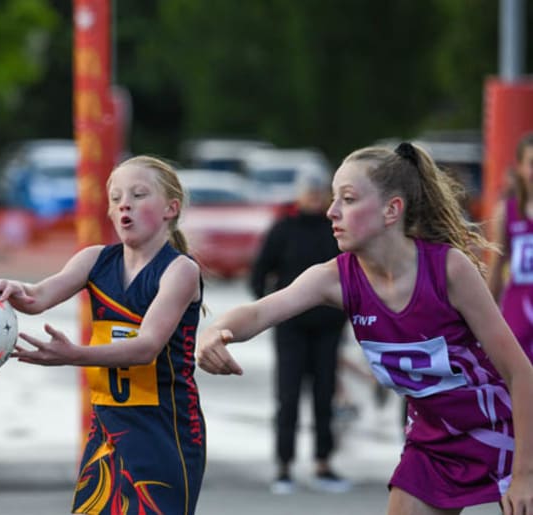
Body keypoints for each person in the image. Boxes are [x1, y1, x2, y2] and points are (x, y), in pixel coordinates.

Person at [197, 142, 533, 514]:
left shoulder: (448, 270)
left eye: (349, 199)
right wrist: (216, 332)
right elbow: (259, 313)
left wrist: (524, 477)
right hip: (435, 442)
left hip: (507, 428)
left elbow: (520, 374)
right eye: (333, 197)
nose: (331, 211)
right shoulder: (334, 279)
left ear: (392, 210)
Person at [0, 155, 206, 515]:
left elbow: (145, 348)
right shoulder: (95, 260)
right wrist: (8, 289)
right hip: (108, 430)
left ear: (170, 209)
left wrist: (72, 355)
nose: (124, 203)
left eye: (139, 195)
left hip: (165, 431)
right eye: (115, 198)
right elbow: (36, 298)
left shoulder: (180, 271)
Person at [249, 172, 350, 494]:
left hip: (328, 327)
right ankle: (284, 466)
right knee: (288, 397)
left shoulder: (333, 230)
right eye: (310, 192)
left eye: (321, 192)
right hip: (290, 327)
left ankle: (323, 463)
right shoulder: (283, 229)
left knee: (324, 396)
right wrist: (267, 310)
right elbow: (260, 271)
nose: (315, 198)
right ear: (299, 194)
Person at [488, 132, 533, 363]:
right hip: (519, 314)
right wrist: (485, 316)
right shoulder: (507, 211)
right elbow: (497, 265)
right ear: (522, 168)